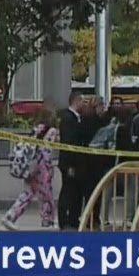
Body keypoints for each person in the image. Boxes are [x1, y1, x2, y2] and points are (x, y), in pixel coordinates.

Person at [2, 109, 57, 230]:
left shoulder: (36, 129)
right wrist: (49, 168)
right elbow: (46, 150)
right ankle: (47, 221)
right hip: (42, 168)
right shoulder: (52, 131)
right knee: (46, 195)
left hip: (30, 166)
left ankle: (11, 215)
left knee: (27, 194)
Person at [56, 91, 89, 229]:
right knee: (68, 191)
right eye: (83, 101)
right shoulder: (68, 119)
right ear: (76, 101)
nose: (85, 104)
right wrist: (70, 165)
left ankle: (74, 218)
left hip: (78, 162)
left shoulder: (77, 118)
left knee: (77, 192)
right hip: (70, 162)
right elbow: (69, 142)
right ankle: (64, 220)